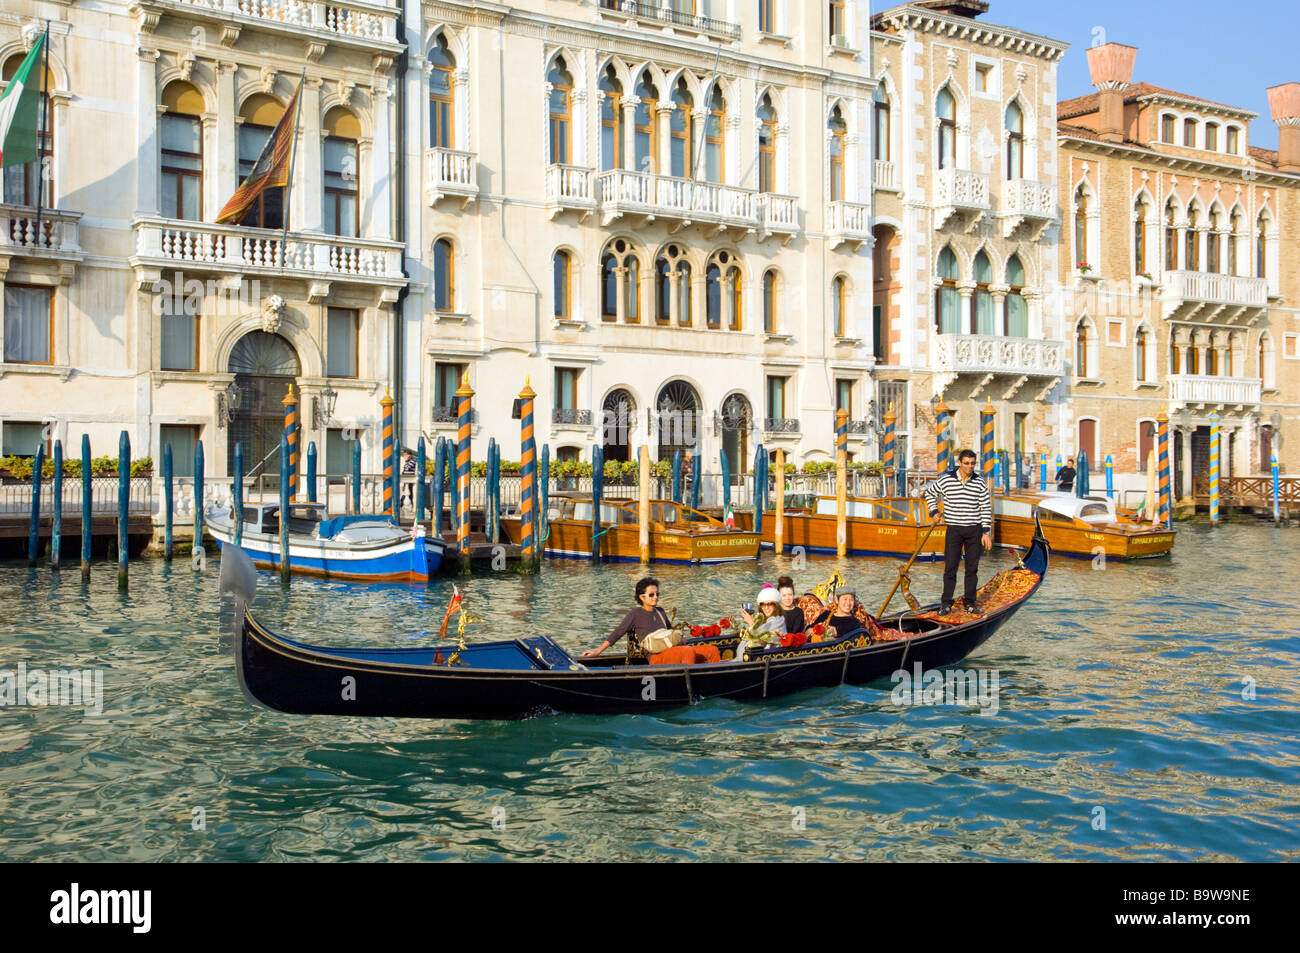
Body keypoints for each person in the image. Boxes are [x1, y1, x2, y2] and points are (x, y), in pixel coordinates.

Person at [582, 577, 720, 664]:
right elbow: (617, 633)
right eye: (651, 595)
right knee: (687, 652)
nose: (655, 597)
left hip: (672, 651)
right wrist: (597, 652)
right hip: (656, 657)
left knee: (712, 650)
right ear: (641, 597)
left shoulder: (660, 611)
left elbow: (670, 633)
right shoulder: (635, 614)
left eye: (657, 594)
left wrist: (681, 639)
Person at [925, 448, 992, 616]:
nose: (970, 466)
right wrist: (933, 512)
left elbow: (985, 507)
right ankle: (946, 603)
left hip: (974, 530)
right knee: (950, 568)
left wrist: (986, 532)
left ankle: (969, 603)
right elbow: (929, 493)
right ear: (960, 464)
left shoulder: (979, 482)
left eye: (973, 463)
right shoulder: (947, 480)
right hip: (954, 529)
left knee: (972, 568)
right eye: (967, 463)